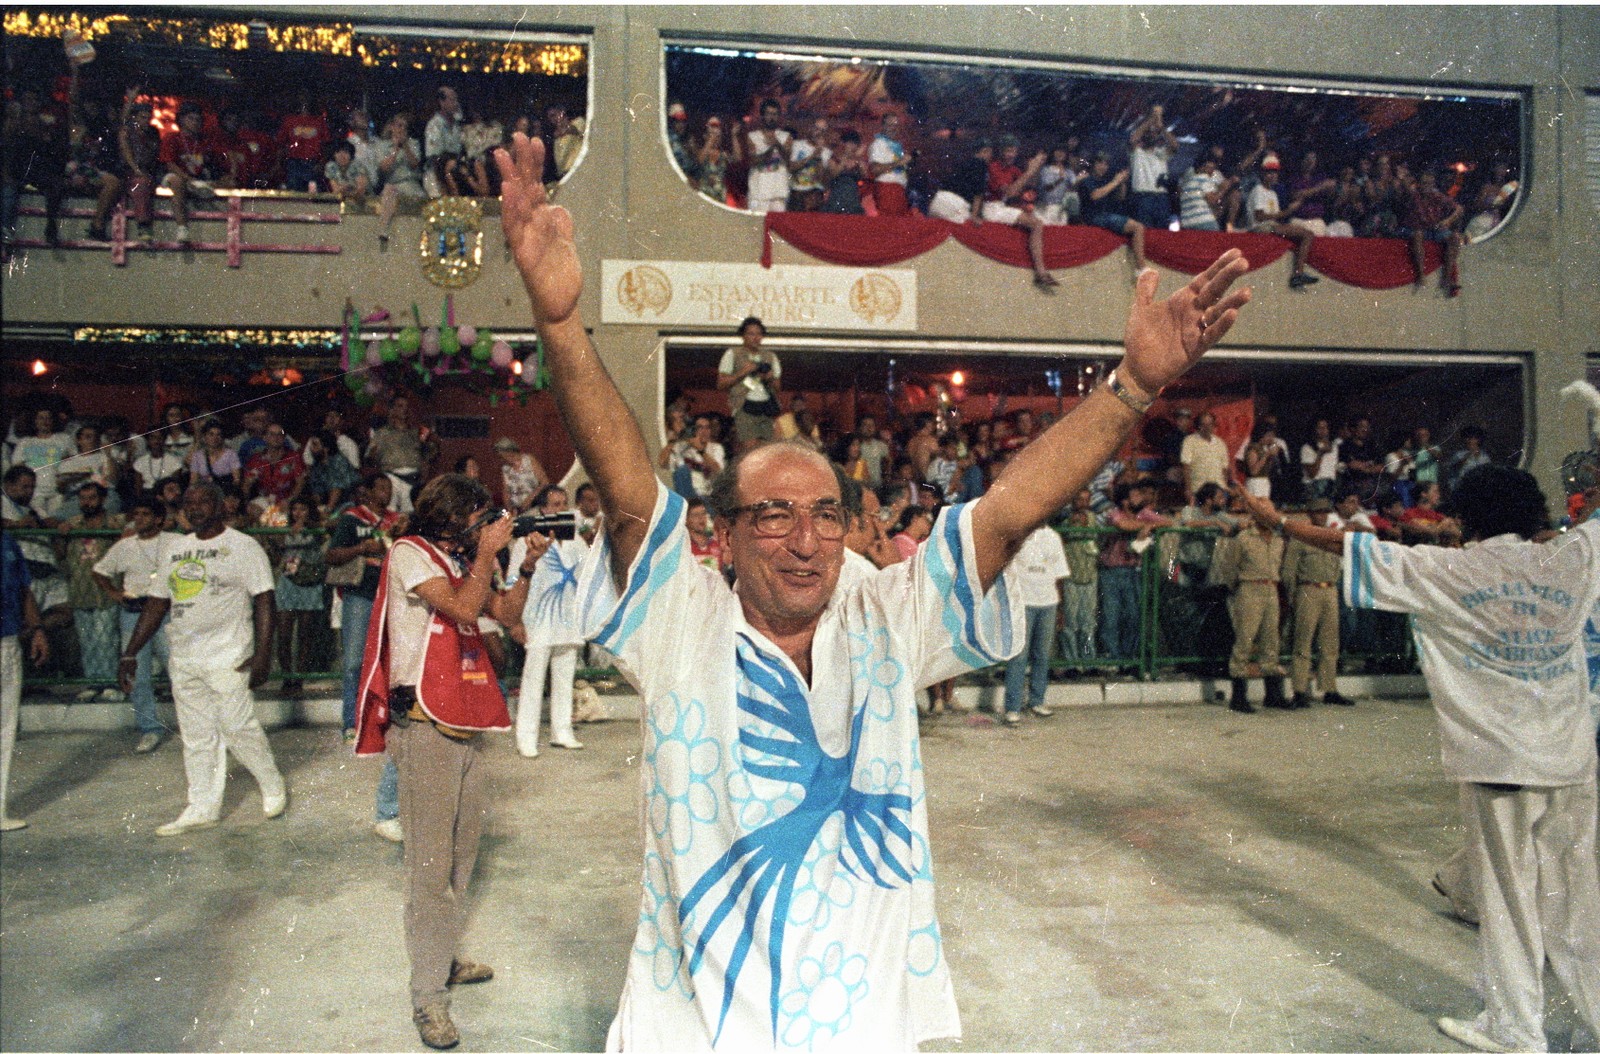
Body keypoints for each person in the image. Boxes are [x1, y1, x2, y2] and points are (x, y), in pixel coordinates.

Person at [493, 131, 1251, 1050]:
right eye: (772, 516)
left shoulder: (891, 618)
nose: (804, 541)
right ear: (723, 535)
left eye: (822, 513)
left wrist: (1132, 386)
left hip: (863, 1019)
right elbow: (622, 495)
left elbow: (1007, 511)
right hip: (691, 1021)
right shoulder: (679, 620)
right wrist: (563, 324)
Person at [1240, 468, 1600, 1054]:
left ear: (1465, 518)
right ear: (1535, 514)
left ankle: (1515, 1030)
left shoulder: (1448, 570)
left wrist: (1278, 522)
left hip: (1500, 761)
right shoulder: (1572, 559)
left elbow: (1354, 547)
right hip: (1571, 758)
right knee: (1580, 903)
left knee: (1509, 903)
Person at [351, 474, 534, 1050]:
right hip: (425, 729)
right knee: (430, 874)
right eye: (479, 517)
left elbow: (502, 612)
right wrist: (485, 555)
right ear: (452, 517)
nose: (486, 527)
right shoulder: (409, 553)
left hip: (462, 723)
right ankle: (428, 999)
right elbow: (460, 608)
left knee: (461, 858)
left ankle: (444, 959)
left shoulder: (459, 558)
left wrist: (525, 566)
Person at [118, 482, 287, 837]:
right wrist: (131, 651)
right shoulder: (176, 549)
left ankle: (271, 783)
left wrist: (263, 654)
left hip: (229, 653)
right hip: (184, 655)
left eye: (202, 502)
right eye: (188, 503)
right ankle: (202, 807)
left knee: (237, 726)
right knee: (196, 735)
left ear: (221, 506)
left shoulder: (243, 546)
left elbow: (264, 601)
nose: (194, 509)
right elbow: (157, 603)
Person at [508, 485, 587, 757]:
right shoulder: (526, 541)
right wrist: (515, 622)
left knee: (565, 677)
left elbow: (587, 576)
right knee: (533, 679)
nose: (559, 509)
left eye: (564, 503)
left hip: (568, 617)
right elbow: (512, 580)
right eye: (554, 504)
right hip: (538, 618)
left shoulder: (577, 541)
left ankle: (562, 731)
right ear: (543, 509)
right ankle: (526, 737)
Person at [91, 495, 170, 753]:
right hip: (134, 610)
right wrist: (114, 593)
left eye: (145, 514)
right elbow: (99, 571)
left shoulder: (175, 542)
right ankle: (149, 728)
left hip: (166, 611)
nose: (139, 519)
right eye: (136, 514)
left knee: (179, 669)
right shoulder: (124, 546)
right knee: (137, 672)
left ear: (159, 518)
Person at [1213, 495, 1288, 712]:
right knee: (1245, 639)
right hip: (1249, 588)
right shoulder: (1244, 539)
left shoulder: (1278, 540)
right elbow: (1230, 568)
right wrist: (1237, 589)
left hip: (1271, 589)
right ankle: (1239, 696)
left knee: (1271, 639)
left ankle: (1272, 694)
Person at [1281, 497, 1352, 708]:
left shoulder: (1331, 536)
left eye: (1325, 512)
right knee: (1303, 641)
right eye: (1318, 512)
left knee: (1330, 643)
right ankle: (1299, 690)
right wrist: (1294, 596)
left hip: (1329, 588)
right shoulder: (1301, 538)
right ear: (1311, 514)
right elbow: (1288, 571)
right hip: (1308, 588)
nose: (1322, 515)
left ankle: (1329, 688)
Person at [1, 531, 50, 831]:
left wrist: (37, 629)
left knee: (5, 727)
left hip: (6, 642)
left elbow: (24, 591)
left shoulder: (8, 543)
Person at [1002, 522, 1069, 724]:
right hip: (1023, 602)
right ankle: (1012, 707)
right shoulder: (1018, 535)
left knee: (1042, 655)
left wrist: (1060, 608)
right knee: (1019, 655)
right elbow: (1007, 570)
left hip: (1048, 603)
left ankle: (1036, 701)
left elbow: (1059, 575)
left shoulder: (1053, 537)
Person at [717, 316, 781, 452]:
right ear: (743, 336)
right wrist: (743, 372)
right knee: (751, 451)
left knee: (767, 451)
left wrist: (769, 378)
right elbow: (721, 384)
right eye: (751, 334)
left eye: (759, 334)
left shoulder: (770, 356)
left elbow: (778, 387)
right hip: (744, 406)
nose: (755, 338)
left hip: (766, 407)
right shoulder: (733, 353)